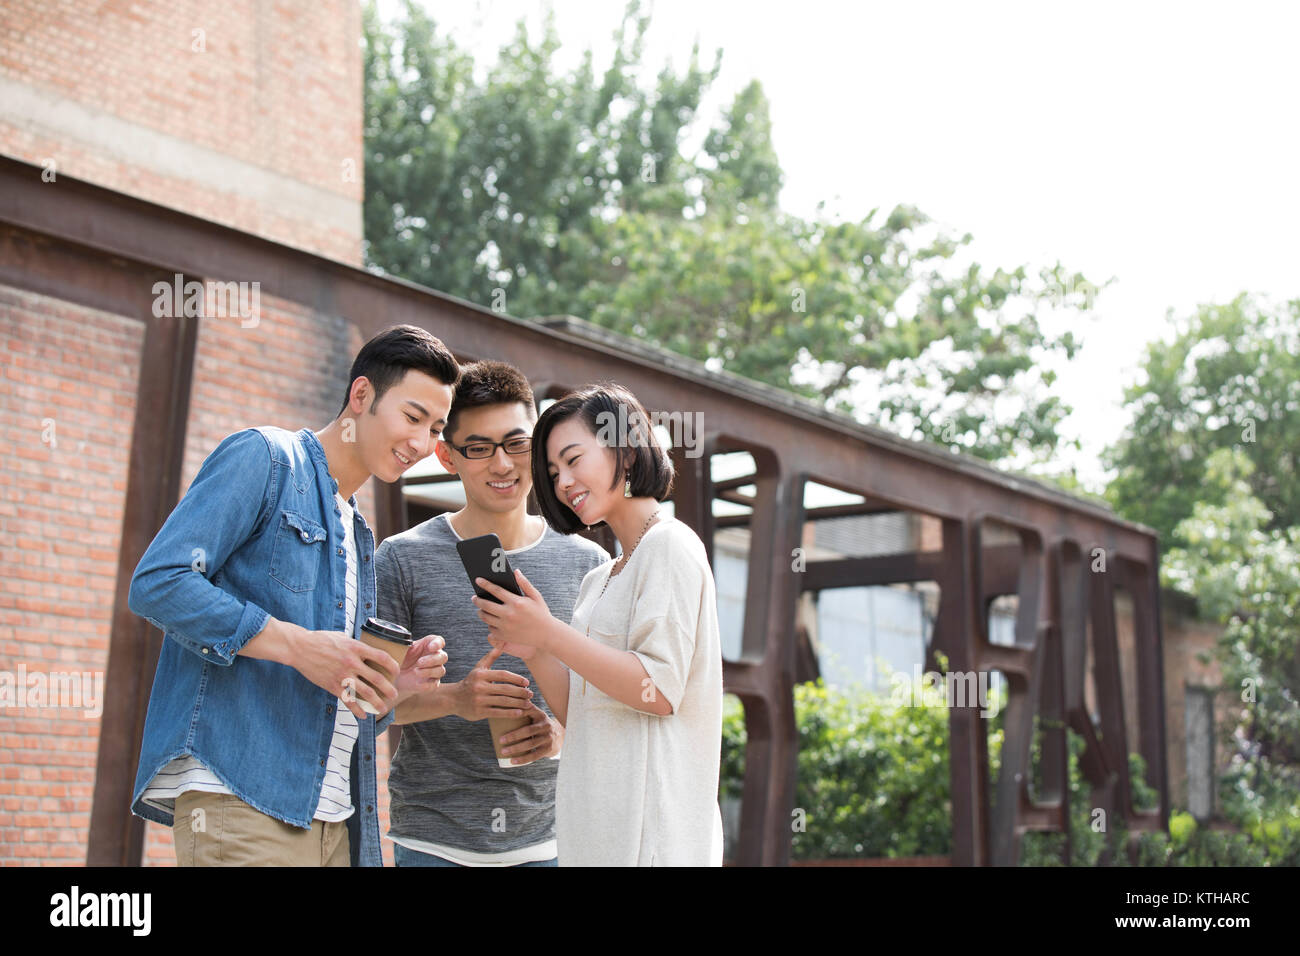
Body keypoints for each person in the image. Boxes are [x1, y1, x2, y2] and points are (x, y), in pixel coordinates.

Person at [128, 324, 456, 866]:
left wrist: (389, 686)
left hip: (337, 820)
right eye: (413, 417)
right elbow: (160, 582)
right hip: (243, 801)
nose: (421, 444)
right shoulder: (266, 458)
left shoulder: (356, 531)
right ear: (361, 395)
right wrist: (298, 645)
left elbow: (331, 688)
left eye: (436, 428)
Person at [472, 382, 724, 866]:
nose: (564, 482)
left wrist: (551, 633)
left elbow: (659, 690)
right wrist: (536, 648)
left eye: (573, 459)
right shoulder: (599, 578)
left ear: (626, 452)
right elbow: (582, 715)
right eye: (552, 471)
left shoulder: (671, 546)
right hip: (595, 839)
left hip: (655, 842)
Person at [377, 361, 609, 867]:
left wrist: (562, 735)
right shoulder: (400, 558)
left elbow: (611, 704)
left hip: (554, 839)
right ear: (447, 455)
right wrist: (454, 699)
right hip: (432, 843)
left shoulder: (589, 563)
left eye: (517, 443)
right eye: (478, 448)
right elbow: (372, 705)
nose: (502, 464)